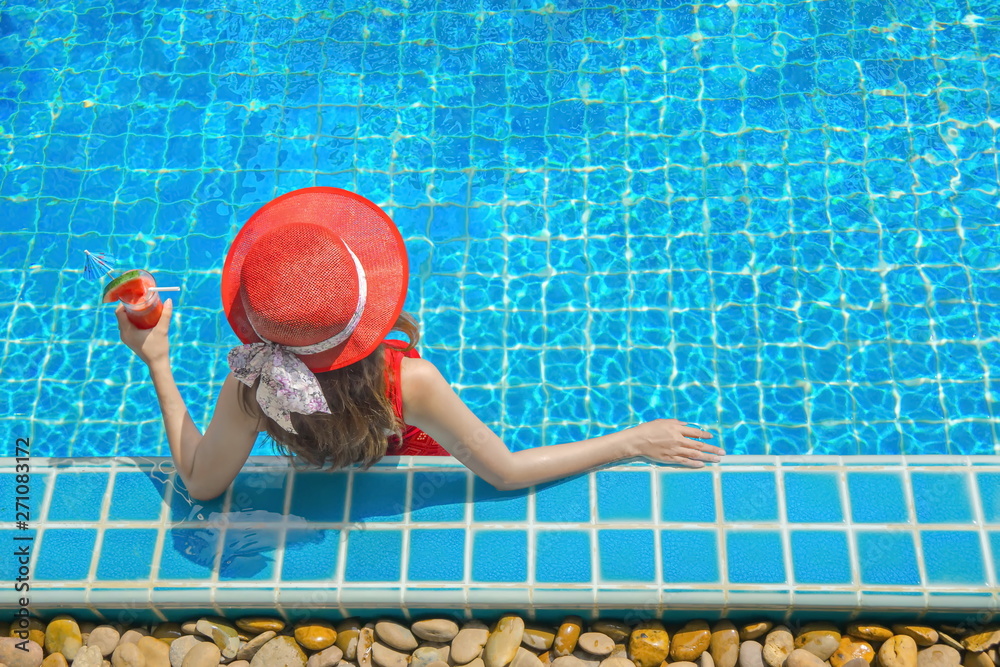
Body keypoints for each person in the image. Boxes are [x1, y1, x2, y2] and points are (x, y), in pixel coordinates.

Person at [116, 187, 724, 501]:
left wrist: (159, 363)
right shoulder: (410, 381)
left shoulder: (253, 383)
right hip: (419, 468)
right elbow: (505, 474)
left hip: (339, 462)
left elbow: (199, 482)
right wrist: (631, 441)